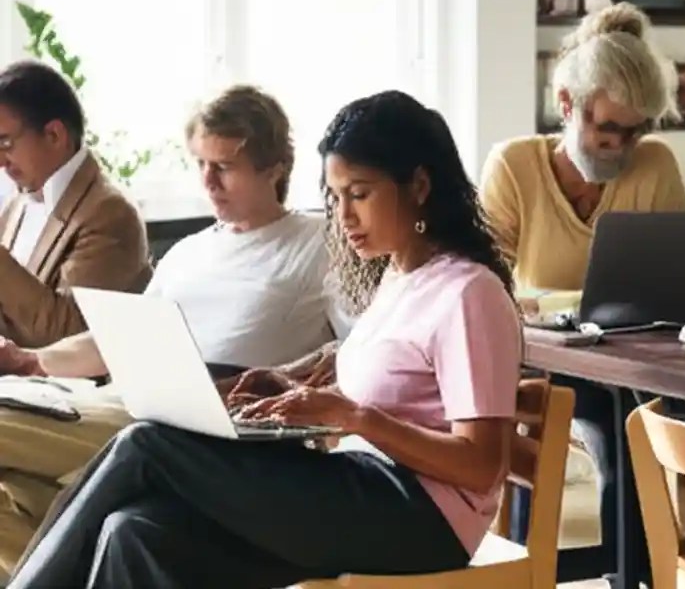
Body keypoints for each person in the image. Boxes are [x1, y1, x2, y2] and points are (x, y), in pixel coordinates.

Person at [7, 89, 523, 588]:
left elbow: (480, 465)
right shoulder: (398, 278)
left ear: (419, 186)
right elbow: (398, 389)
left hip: (420, 519)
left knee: (146, 444)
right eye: (335, 197)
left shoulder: (468, 292)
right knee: (135, 532)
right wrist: (291, 385)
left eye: (360, 194)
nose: (343, 218)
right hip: (364, 485)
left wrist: (351, 417)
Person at [0, 85, 346, 580]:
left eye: (224, 167)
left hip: (209, 422)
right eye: (200, 164)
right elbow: (110, 344)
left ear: (273, 168)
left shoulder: (317, 244)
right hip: (135, 399)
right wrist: (30, 362)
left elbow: (363, 346)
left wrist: (298, 383)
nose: (208, 182)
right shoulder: (189, 252)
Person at [480, 1, 685, 292]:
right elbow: (486, 287)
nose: (619, 145)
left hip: (637, 338)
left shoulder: (655, 165)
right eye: (608, 128)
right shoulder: (513, 167)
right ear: (567, 104)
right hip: (537, 337)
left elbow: (682, 282)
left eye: (636, 130)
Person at [0, 60, 150, 348]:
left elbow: (68, 337)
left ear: (55, 135)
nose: (0, 162)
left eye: (6, 144)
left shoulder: (110, 214)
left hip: (68, 390)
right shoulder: (16, 204)